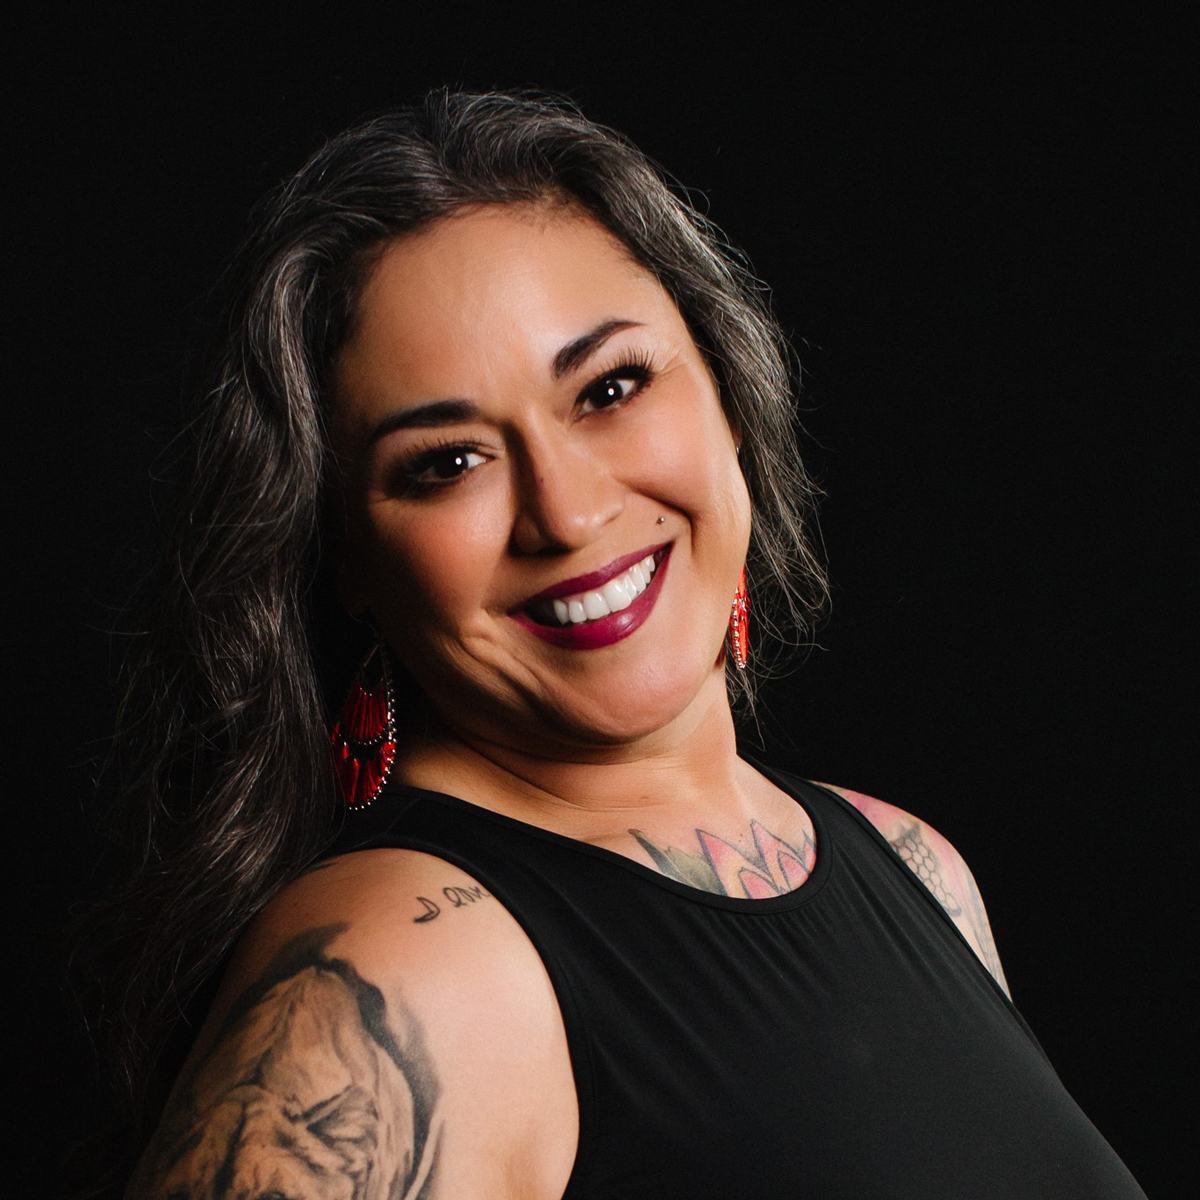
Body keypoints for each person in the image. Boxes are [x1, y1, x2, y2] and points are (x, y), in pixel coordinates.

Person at [90, 90, 1145, 1198]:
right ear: (345, 559)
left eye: (611, 388)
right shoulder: (408, 966)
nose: (569, 511)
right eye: (447, 463)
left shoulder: (915, 868)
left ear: (727, 392)